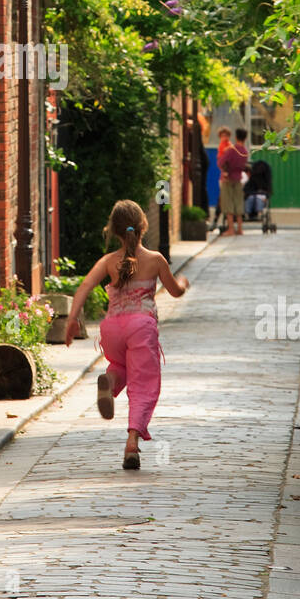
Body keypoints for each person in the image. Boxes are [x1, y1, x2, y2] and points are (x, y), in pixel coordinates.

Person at [64, 199, 190, 471]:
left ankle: (110, 381)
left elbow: (85, 285)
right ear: (143, 226)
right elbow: (175, 292)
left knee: (120, 366)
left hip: (111, 329)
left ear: (113, 230)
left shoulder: (109, 261)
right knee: (143, 383)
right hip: (140, 327)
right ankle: (132, 442)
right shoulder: (156, 260)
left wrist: (72, 319)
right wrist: (183, 284)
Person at [221, 127, 249, 236]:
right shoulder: (245, 151)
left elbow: (221, 162)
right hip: (238, 179)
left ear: (236, 137)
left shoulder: (232, 149)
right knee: (238, 203)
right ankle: (240, 229)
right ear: (245, 138)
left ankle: (231, 229)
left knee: (228, 204)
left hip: (228, 179)